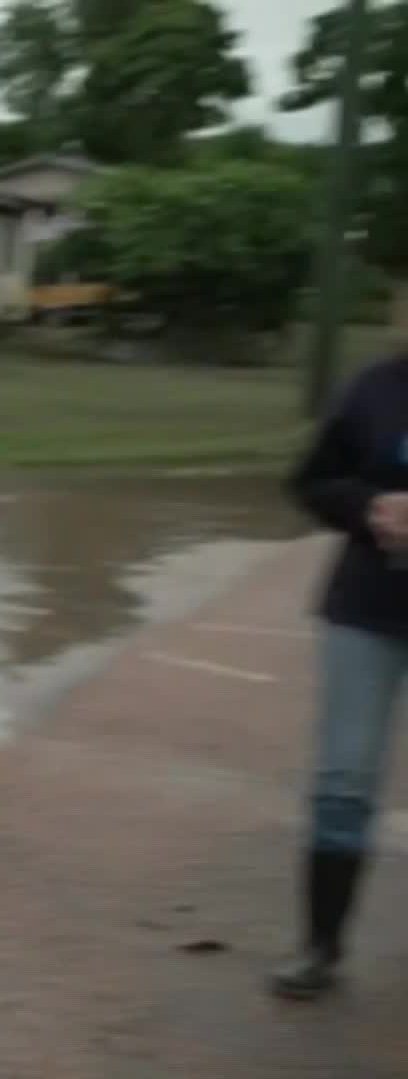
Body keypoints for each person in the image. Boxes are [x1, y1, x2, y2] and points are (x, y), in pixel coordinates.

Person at [279, 313, 408, 1000]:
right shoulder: (375, 387)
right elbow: (312, 481)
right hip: (366, 612)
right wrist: (371, 507)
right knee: (343, 780)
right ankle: (320, 949)